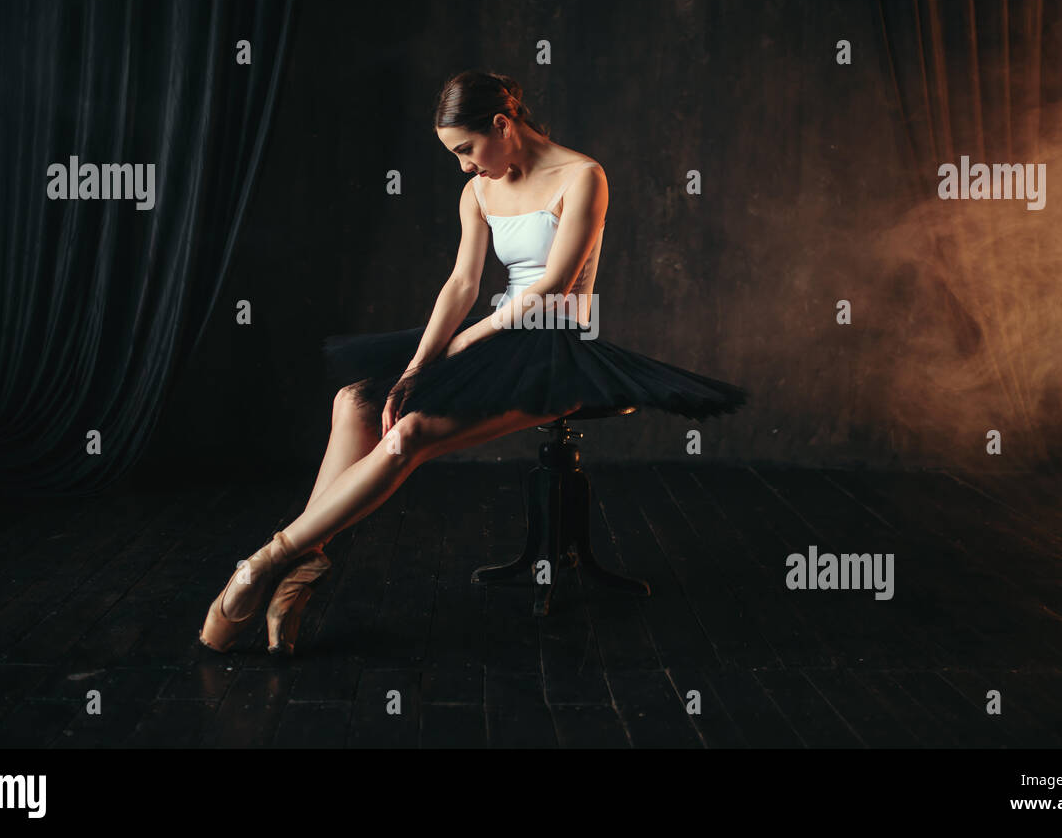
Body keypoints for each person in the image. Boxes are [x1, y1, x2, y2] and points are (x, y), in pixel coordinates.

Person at [199, 69, 747, 656]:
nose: (462, 165)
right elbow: (461, 285)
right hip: (494, 331)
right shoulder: (479, 190)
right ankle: (304, 567)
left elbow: (554, 287)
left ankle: (265, 562)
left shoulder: (583, 176)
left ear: (503, 124)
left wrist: (463, 346)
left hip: (555, 345)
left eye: (466, 149)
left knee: (406, 433)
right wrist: (418, 365)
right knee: (354, 402)